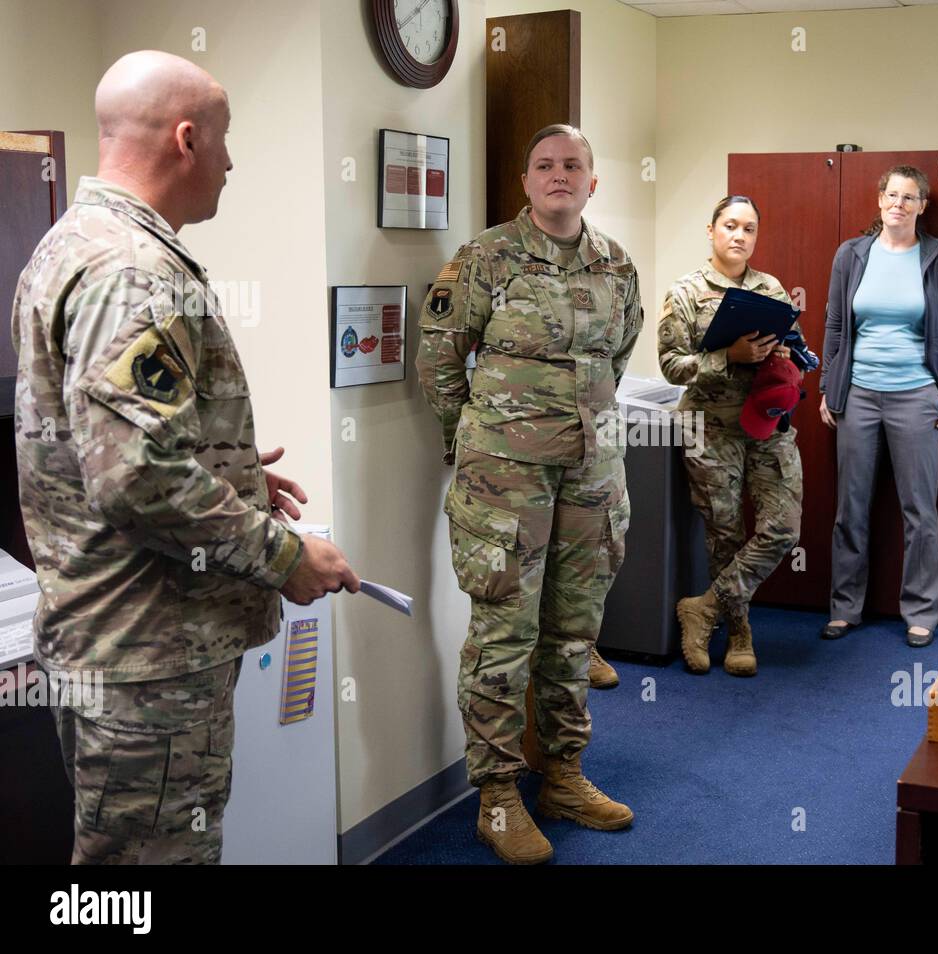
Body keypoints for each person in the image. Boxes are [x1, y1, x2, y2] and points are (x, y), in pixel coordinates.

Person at [11, 50, 359, 864]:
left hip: (125, 639)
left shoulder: (75, 243)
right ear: (187, 139)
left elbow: (98, 442)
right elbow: (137, 477)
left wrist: (231, 469)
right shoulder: (133, 271)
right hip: (149, 652)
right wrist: (282, 557)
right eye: (227, 140)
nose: (233, 161)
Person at [417, 124, 643, 864]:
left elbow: (620, 349)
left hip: (590, 474)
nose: (558, 175)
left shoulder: (616, 264)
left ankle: (566, 775)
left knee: (575, 633)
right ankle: (497, 795)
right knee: (504, 634)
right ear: (525, 181)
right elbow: (440, 361)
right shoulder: (486, 258)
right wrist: (476, 443)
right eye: (543, 164)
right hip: (504, 481)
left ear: (592, 180)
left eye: (572, 164)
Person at [819, 165, 938, 648]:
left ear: (922, 207)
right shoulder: (851, 255)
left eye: (910, 198)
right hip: (858, 393)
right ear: (879, 200)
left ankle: (922, 611)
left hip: (917, 394)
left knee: (919, 510)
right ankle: (845, 608)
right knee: (850, 507)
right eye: (892, 195)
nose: (899, 204)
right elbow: (837, 326)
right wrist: (828, 388)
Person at [658, 196, 803, 676]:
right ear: (712, 230)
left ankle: (704, 607)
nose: (739, 236)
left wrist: (785, 351)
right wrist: (729, 356)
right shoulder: (685, 291)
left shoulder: (771, 288)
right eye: (730, 226)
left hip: (767, 420)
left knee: (783, 528)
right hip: (710, 425)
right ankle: (739, 633)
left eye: (749, 229)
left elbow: (795, 351)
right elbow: (671, 365)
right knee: (726, 535)